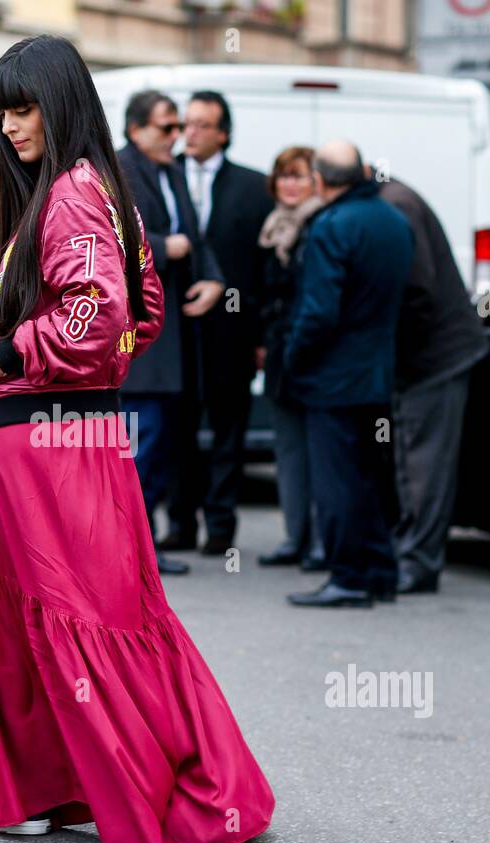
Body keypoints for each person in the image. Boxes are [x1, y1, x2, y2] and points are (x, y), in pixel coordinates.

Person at [0, 34, 273, 843]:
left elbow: (103, 312)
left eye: (23, 107)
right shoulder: (100, 189)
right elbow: (144, 306)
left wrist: (4, 356)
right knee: (73, 616)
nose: (12, 126)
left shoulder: (73, 194)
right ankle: (44, 789)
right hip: (69, 438)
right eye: (2, 112)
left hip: (36, 444)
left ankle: (26, 793)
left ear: (62, 103)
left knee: (35, 619)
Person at [282, 140, 413, 609]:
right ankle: (380, 573)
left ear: (319, 181)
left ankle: (348, 578)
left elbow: (318, 312)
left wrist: (293, 359)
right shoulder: (394, 221)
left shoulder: (332, 226)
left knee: (336, 481)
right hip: (377, 374)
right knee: (369, 479)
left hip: (332, 379)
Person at [116, 90, 224, 575]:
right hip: (136, 331)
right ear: (136, 129)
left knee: (164, 439)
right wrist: (165, 246)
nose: (177, 136)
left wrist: (214, 277)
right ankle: (129, 548)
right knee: (143, 438)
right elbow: (115, 237)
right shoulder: (115, 171)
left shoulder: (173, 171)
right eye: (166, 126)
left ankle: (141, 541)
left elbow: (197, 237)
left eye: (178, 126)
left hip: (178, 329)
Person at [170, 90, 274, 555]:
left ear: (223, 133)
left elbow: (266, 267)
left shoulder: (255, 187)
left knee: (230, 431)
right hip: (175, 330)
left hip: (233, 331)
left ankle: (221, 527)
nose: (189, 132)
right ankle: (178, 522)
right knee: (178, 428)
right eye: (185, 123)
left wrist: (262, 336)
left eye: (201, 125)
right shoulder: (162, 176)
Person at [379, 177, 489, 594]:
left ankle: (418, 564)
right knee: (416, 459)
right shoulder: (394, 200)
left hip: (433, 358)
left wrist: (395, 357)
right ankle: (411, 554)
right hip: (431, 354)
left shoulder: (397, 206)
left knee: (423, 462)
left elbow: (418, 292)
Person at [257, 146, 326, 569]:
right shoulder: (272, 228)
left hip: (313, 354)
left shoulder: (320, 224)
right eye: (284, 176)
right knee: (289, 450)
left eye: (299, 176)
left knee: (320, 453)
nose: (291, 184)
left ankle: (320, 541)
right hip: (280, 352)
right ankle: (294, 536)